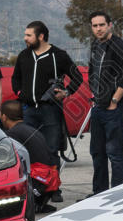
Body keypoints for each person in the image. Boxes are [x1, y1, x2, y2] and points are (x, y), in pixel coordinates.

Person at [10, 20, 81, 159]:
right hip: (28, 111)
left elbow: (77, 77)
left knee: (50, 150)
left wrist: (66, 92)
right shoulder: (23, 55)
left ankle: (51, 179)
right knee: (27, 150)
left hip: (51, 111)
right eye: (25, 35)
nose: (25, 38)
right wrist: (20, 93)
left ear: (41, 36)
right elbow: (15, 78)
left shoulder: (59, 55)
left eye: (29, 35)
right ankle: (31, 181)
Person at [87, 10, 123, 193]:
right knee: (97, 153)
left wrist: (115, 99)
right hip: (98, 106)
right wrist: (95, 95)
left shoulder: (118, 45)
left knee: (114, 153)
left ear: (109, 25)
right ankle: (99, 193)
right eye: (95, 26)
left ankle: (117, 194)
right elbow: (92, 72)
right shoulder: (95, 46)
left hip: (116, 108)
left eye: (101, 25)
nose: (98, 29)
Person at [0, 99, 61, 212]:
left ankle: (32, 204)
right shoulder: (32, 130)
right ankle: (39, 204)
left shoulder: (12, 134)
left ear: (4, 117)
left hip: (38, 186)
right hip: (49, 185)